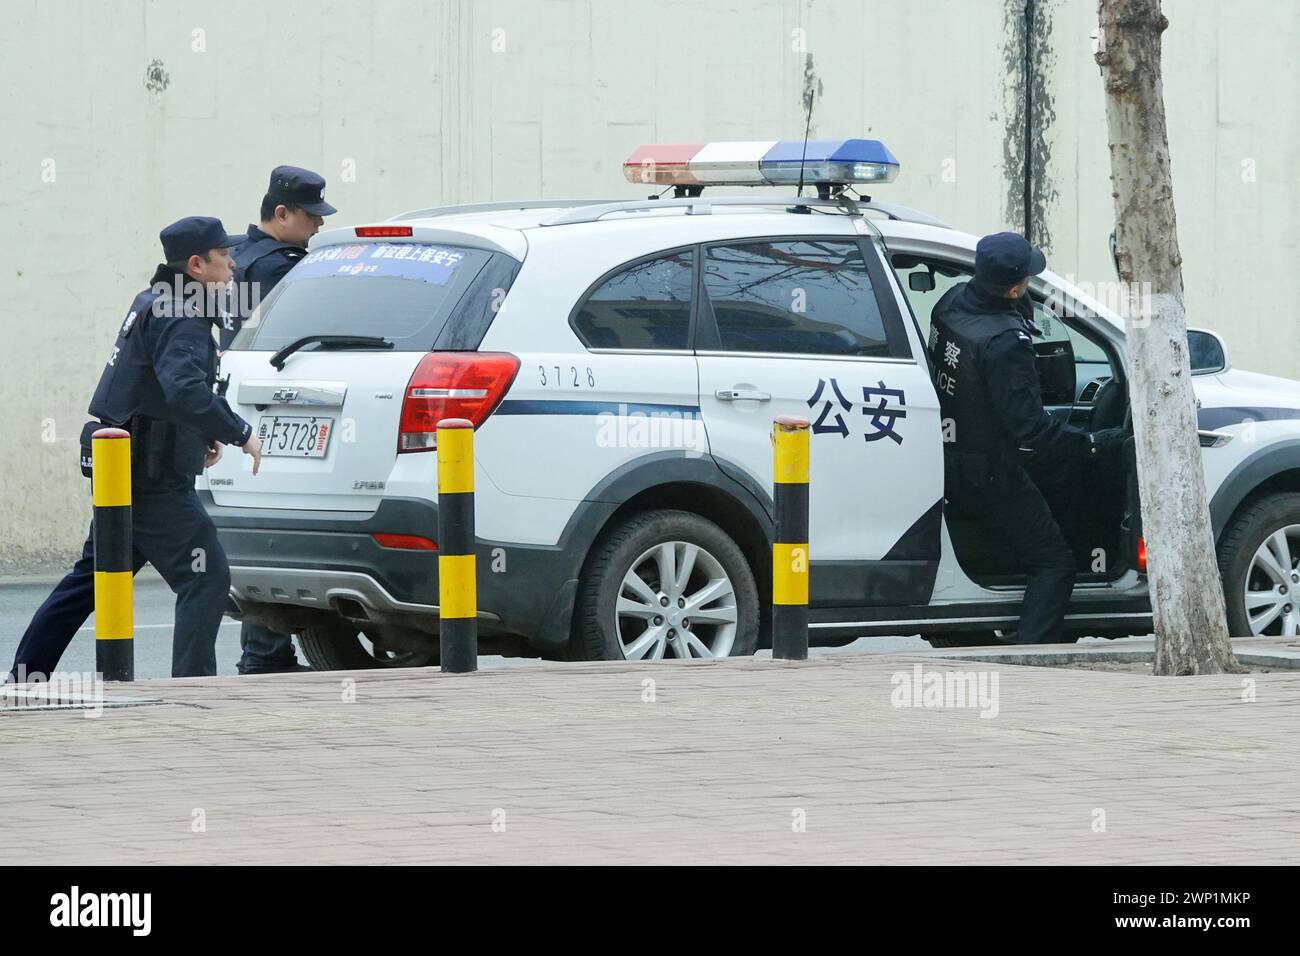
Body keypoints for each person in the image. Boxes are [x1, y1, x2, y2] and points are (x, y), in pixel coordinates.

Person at [8, 217, 263, 681]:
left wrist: (199, 434)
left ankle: (26, 677)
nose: (232, 265)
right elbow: (183, 388)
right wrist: (238, 430)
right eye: (223, 256)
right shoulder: (183, 313)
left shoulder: (153, 302)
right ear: (196, 264)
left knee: (89, 582)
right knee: (204, 578)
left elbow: (148, 385)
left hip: (125, 471)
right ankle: (197, 693)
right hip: (154, 480)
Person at [929, 232, 1126, 645]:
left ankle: (966, 643)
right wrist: (1095, 444)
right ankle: (1031, 657)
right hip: (992, 471)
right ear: (1017, 288)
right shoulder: (1005, 342)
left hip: (949, 456)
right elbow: (1031, 431)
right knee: (1054, 563)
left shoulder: (950, 304)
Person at [227, 166, 336, 674]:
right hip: (281, 401)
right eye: (311, 216)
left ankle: (263, 653)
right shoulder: (280, 268)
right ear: (281, 214)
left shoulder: (234, 256)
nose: (317, 226)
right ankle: (262, 655)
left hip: (238, 398)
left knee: (261, 527)